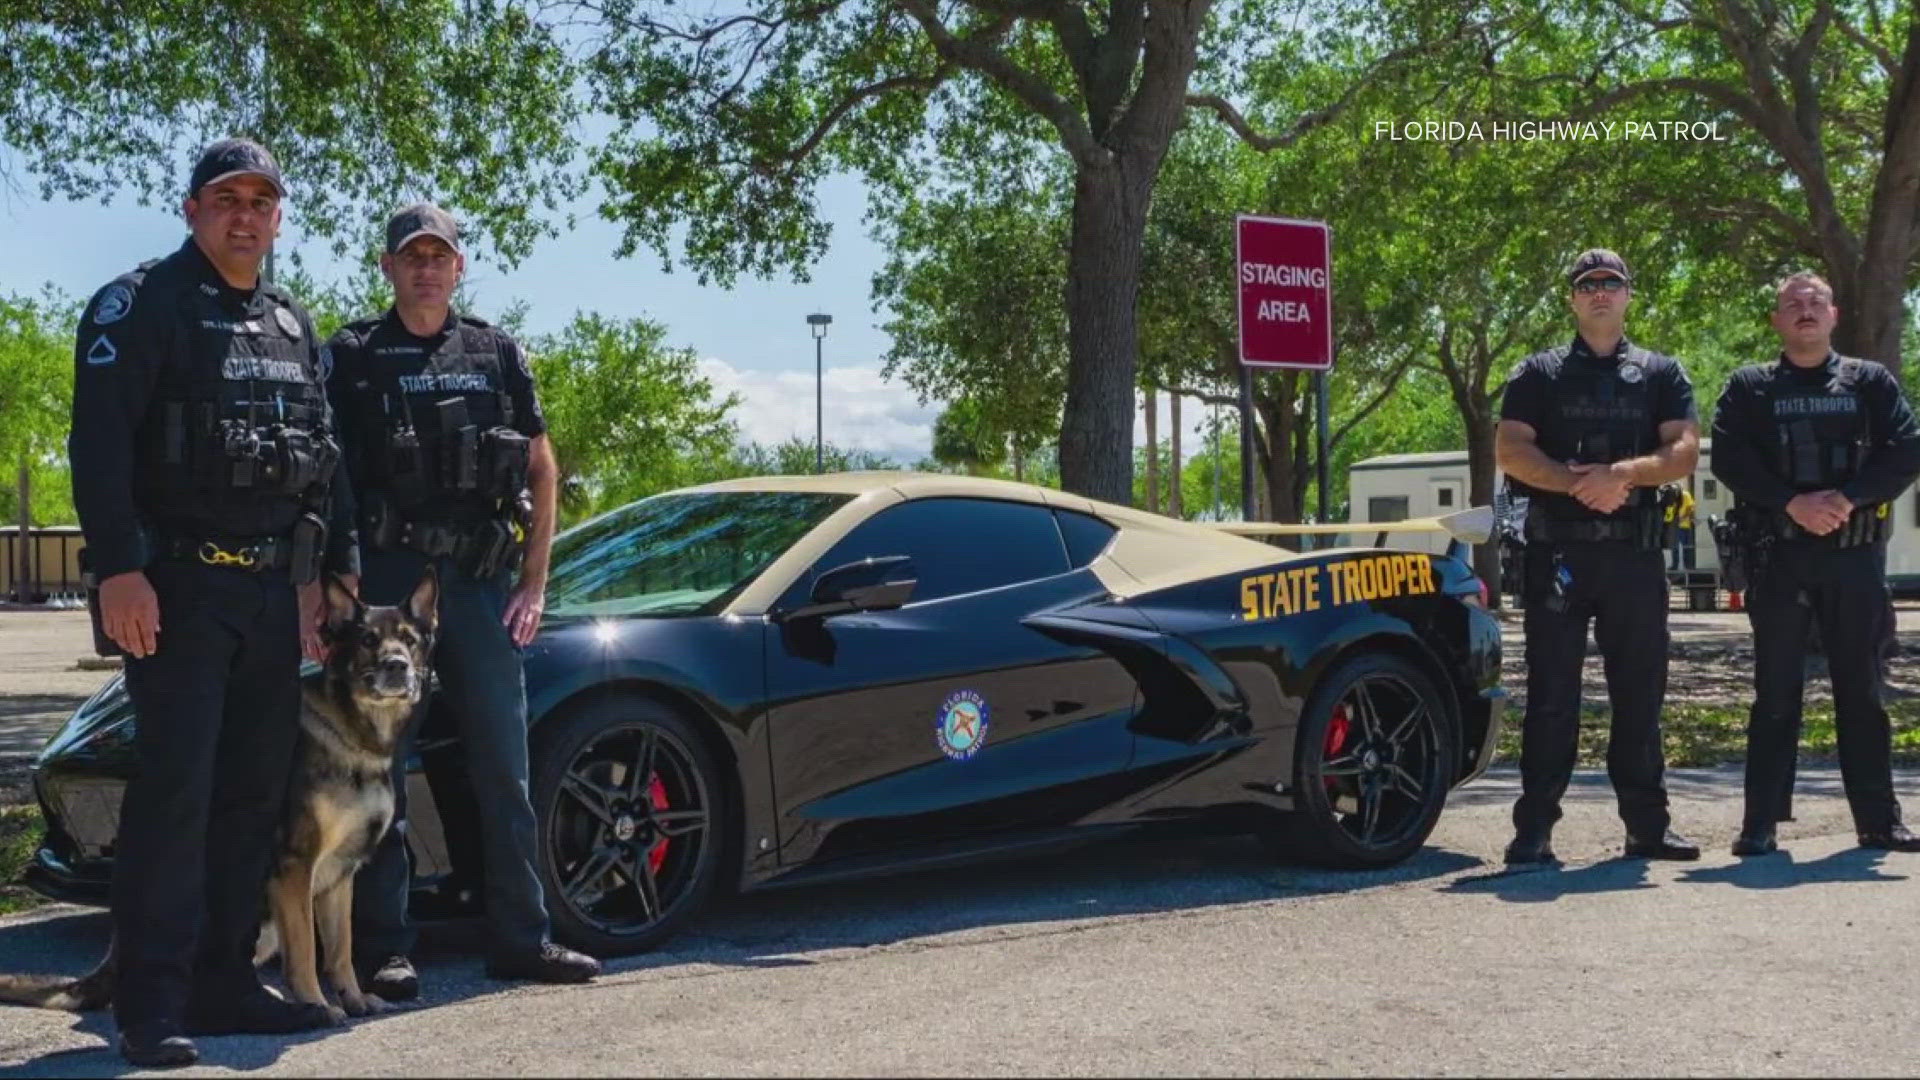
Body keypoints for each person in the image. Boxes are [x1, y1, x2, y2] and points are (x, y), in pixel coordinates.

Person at [68, 138, 356, 1068]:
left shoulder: (291, 322)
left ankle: (225, 980)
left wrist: (333, 572)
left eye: (260, 202)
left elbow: (327, 460)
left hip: (271, 593)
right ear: (192, 210)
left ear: (278, 219)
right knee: (176, 797)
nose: (244, 216)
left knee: (251, 797)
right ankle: (151, 1003)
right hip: (176, 590)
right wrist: (120, 569)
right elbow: (99, 444)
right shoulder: (141, 303)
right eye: (226, 199)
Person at [329, 202, 599, 997]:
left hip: (480, 586)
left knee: (504, 770)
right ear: (388, 267)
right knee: (380, 766)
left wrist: (534, 583)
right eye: (411, 256)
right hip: (387, 585)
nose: (426, 268)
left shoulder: (495, 351)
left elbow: (542, 468)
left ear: (459, 265)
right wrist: (332, 584)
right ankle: (385, 948)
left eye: (438, 255)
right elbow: (329, 477)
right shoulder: (353, 355)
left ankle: (522, 938)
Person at [1494, 248, 1702, 866]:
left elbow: (1684, 450)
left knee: (1640, 695)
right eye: (1588, 285)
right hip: (1557, 555)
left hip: (1634, 558)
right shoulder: (1537, 373)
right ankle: (1534, 830)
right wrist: (1576, 484)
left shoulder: (1662, 373)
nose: (1600, 292)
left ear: (1629, 294)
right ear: (1572, 299)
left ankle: (1648, 827)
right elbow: (1511, 449)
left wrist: (1621, 475)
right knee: (1551, 696)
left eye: (1611, 282)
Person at [1709, 271, 1920, 856]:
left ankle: (1879, 821)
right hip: (1778, 558)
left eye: (1816, 302)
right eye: (1793, 303)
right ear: (1776, 320)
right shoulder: (1750, 387)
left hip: (1853, 557)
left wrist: (1847, 499)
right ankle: (1760, 824)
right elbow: (1729, 458)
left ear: (1833, 315)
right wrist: (1791, 503)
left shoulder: (1869, 381)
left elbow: (1906, 450)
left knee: (1863, 692)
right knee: (1775, 694)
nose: (1805, 310)